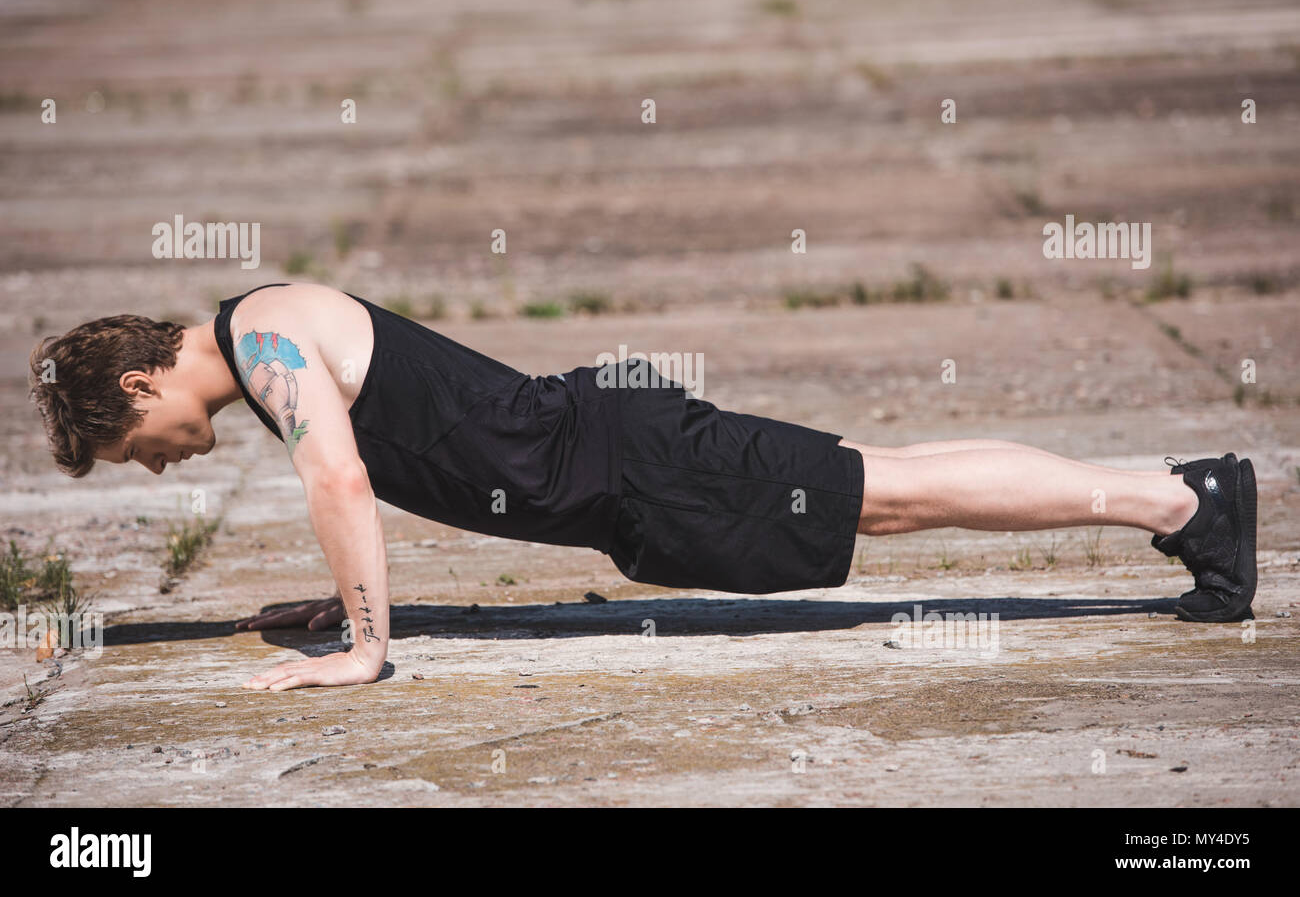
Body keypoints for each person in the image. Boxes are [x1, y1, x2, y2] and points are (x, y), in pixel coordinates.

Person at [27, 282, 1258, 690]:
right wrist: (336, 603)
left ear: (140, 383)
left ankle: (1183, 505)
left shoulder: (266, 343)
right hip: (628, 473)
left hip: (641, 466)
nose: (166, 459)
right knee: (893, 488)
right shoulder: (267, 332)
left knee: (892, 493)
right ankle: (1184, 497)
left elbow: (340, 481)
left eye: (141, 445)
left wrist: (362, 645)